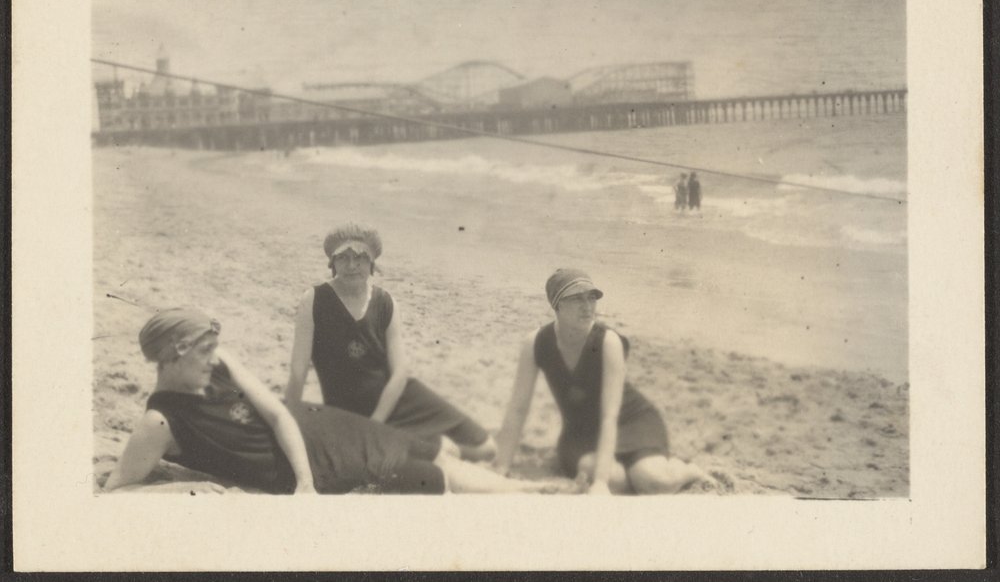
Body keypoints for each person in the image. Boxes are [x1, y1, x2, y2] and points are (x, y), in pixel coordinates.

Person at [105, 308, 558, 494]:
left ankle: (527, 489)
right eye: (201, 353)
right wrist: (184, 485)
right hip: (314, 464)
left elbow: (277, 411)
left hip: (312, 430)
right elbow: (115, 491)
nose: (211, 360)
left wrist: (304, 485)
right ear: (172, 356)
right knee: (424, 475)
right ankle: (527, 495)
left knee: (417, 445)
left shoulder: (221, 361)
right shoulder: (159, 423)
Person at [287, 224, 496, 461]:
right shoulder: (314, 300)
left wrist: (376, 423)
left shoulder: (386, 302)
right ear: (331, 263)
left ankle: (442, 450)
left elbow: (400, 374)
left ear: (372, 263)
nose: (352, 265)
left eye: (360, 258)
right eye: (343, 258)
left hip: (397, 399)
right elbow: (298, 372)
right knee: (394, 456)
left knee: (486, 448)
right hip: (348, 411)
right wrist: (290, 420)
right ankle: (431, 450)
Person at [494, 269, 714, 495]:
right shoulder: (536, 343)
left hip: (631, 421)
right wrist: (501, 468)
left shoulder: (608, 341)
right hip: (580, 433)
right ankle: (640, 469)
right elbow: (518, 409)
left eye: (591, 297)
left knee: (654, 482)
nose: (587, 306)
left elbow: (610, 415)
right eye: (577, 299)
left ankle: (688, 470)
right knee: (617, 481)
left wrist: (599, 482)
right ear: (557, 304)